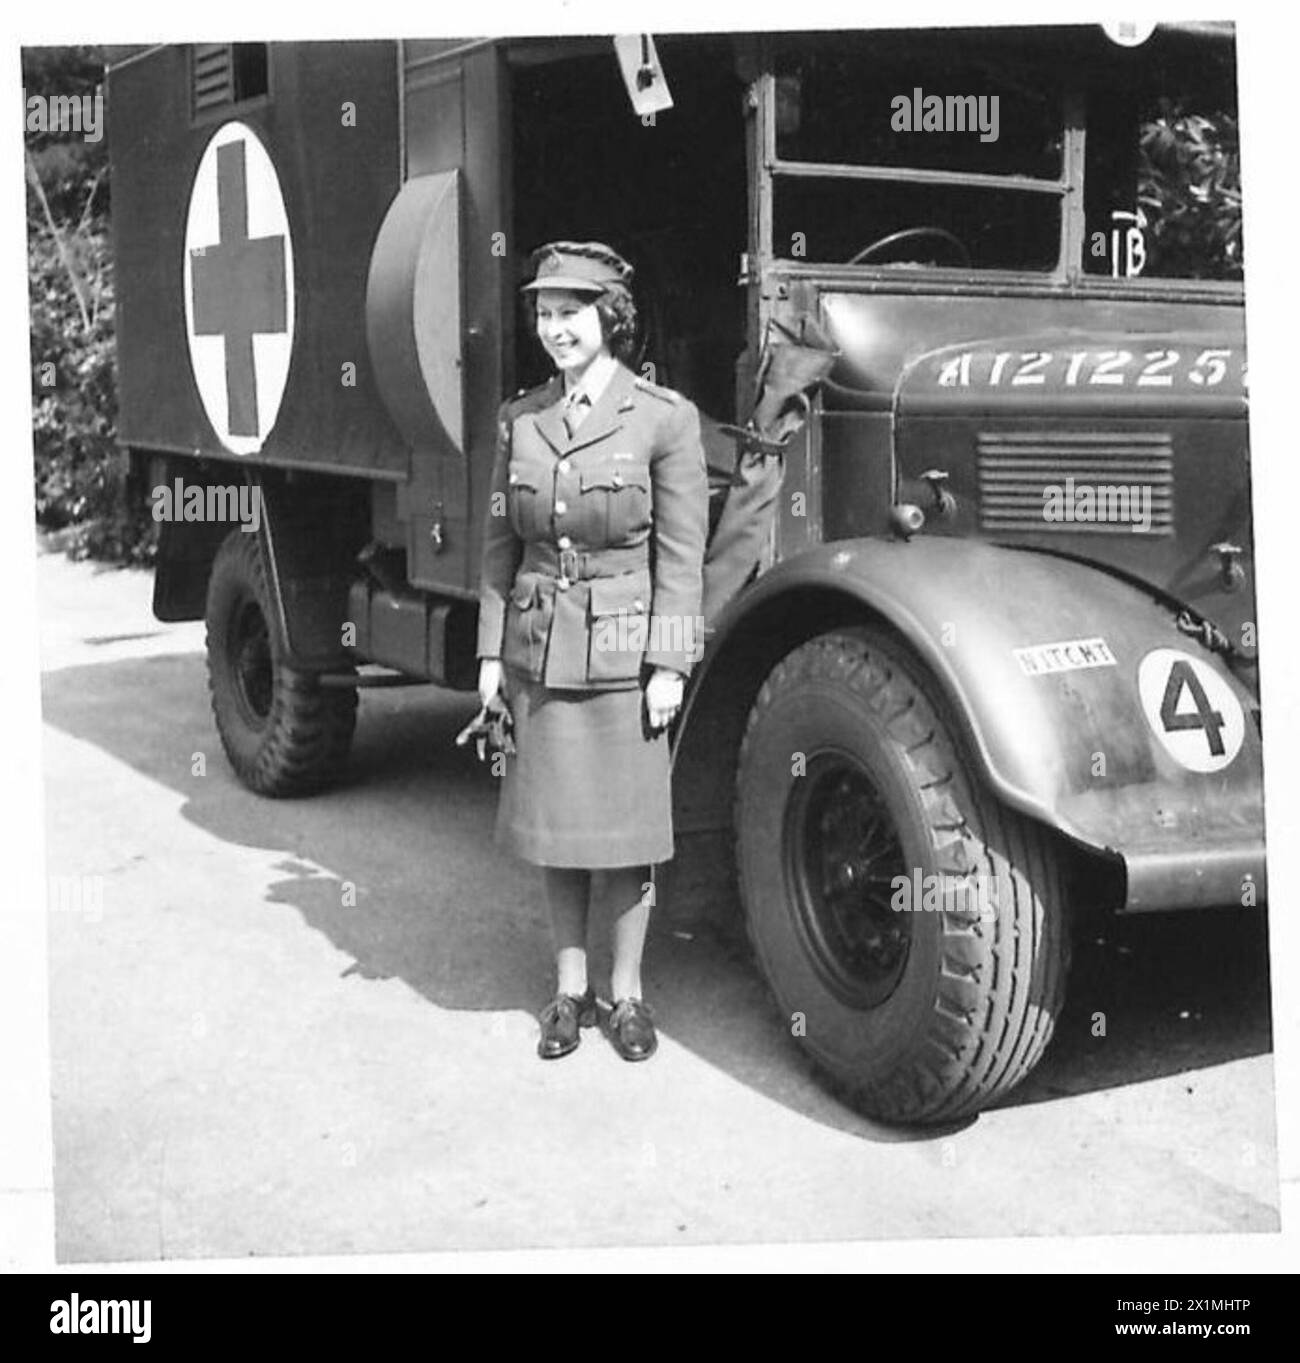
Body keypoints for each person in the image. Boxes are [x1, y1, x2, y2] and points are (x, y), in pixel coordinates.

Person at [476, 240, 709, 1062]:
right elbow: (501, 543)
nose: (555, 328)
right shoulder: (520, 419)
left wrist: (670, 664)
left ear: (609, 316)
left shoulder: (663, 418)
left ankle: (630, 997)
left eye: (570, 312)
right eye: (544, 313)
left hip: (623, 651)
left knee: (629, 837)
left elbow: (681, 558)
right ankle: (569, 993)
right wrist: (489, 657)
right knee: (556, 830)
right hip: (540, 650)